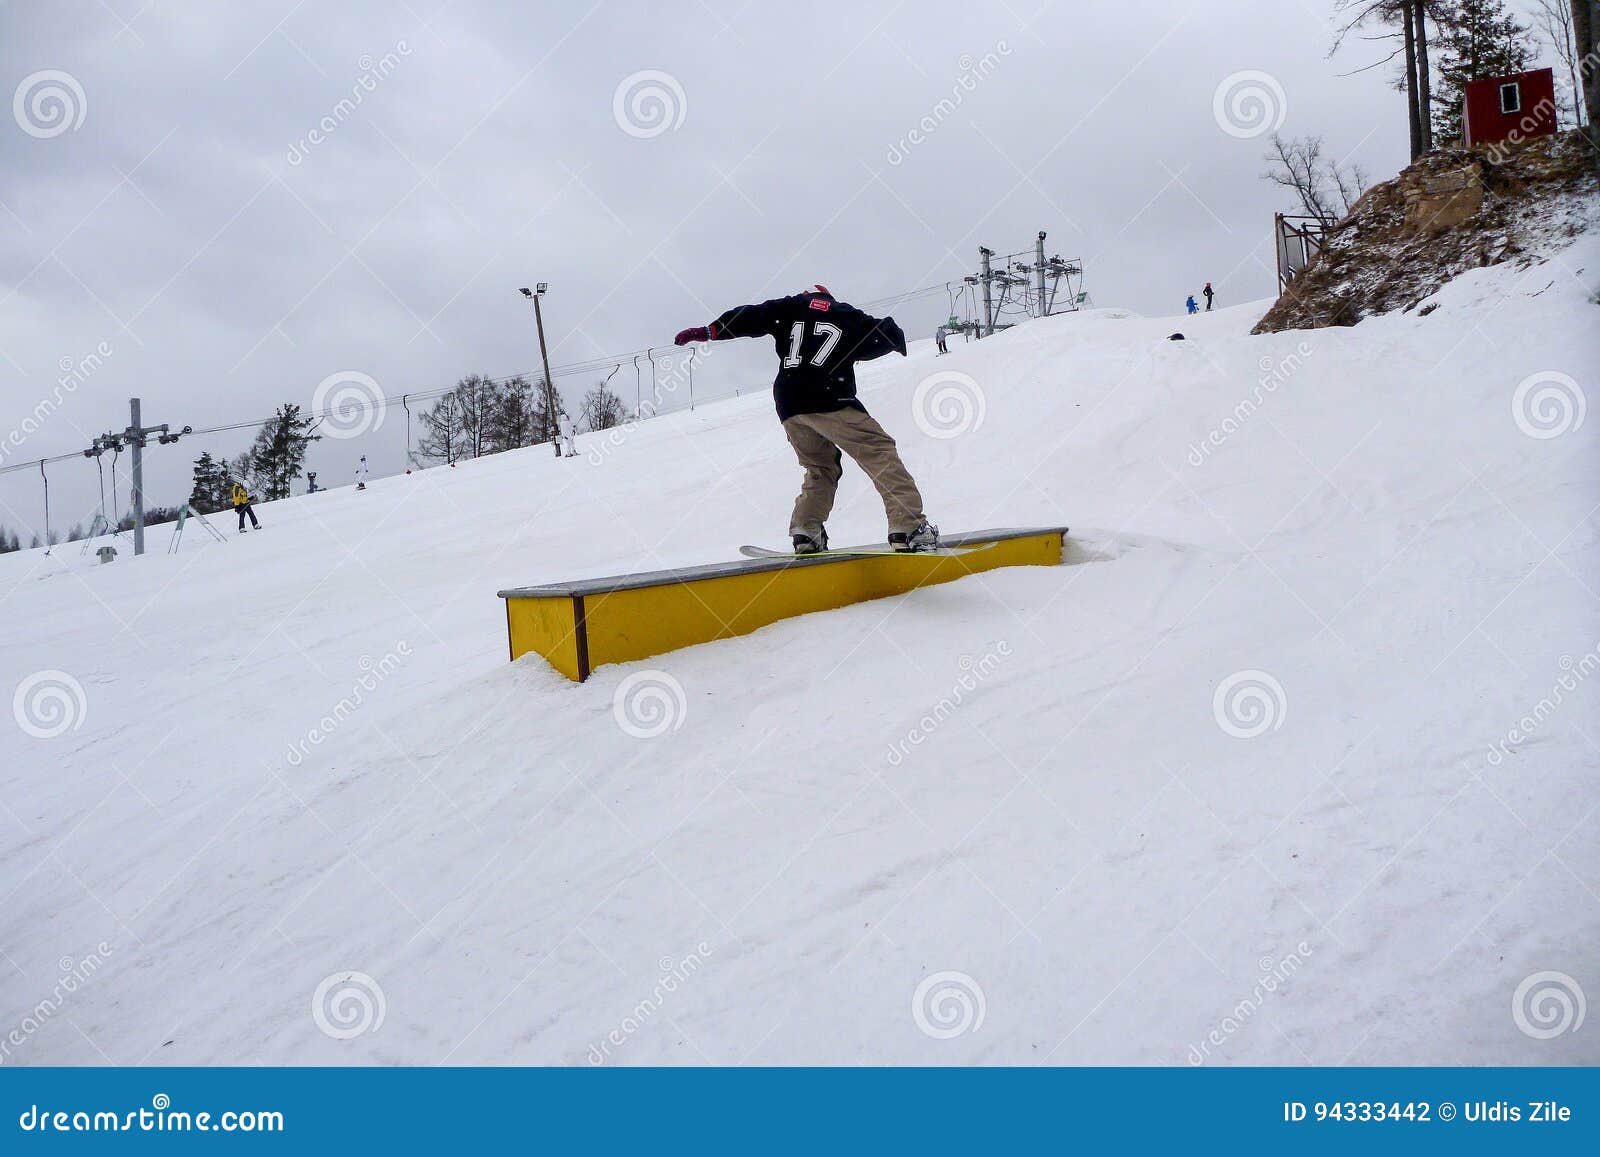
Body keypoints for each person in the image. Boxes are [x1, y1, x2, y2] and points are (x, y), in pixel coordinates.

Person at [674, 284, 939, 554]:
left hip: (790, 404)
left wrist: (712, 330)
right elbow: (879, 336)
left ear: (806, 296)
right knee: (878, 452)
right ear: (828, 297)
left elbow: (752, 315)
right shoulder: (844, 314)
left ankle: (806, 531)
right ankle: (908, 528)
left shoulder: (789, 308)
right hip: (829, 397)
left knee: (820, 468)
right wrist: (894, 336)